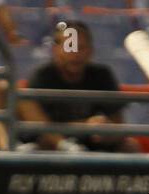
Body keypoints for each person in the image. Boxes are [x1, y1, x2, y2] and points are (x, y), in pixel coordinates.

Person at [25, 21, 138, 153]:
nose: (75, 54)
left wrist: (105, 130)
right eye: (69, 47)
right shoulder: (43, 76)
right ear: (55, 50)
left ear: (91, 51)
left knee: (130, 145)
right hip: (55, 145)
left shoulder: (102, 75)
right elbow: (41, 128)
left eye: (81, 47)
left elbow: (118, 125)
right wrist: (84, 126)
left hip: (92, 145)